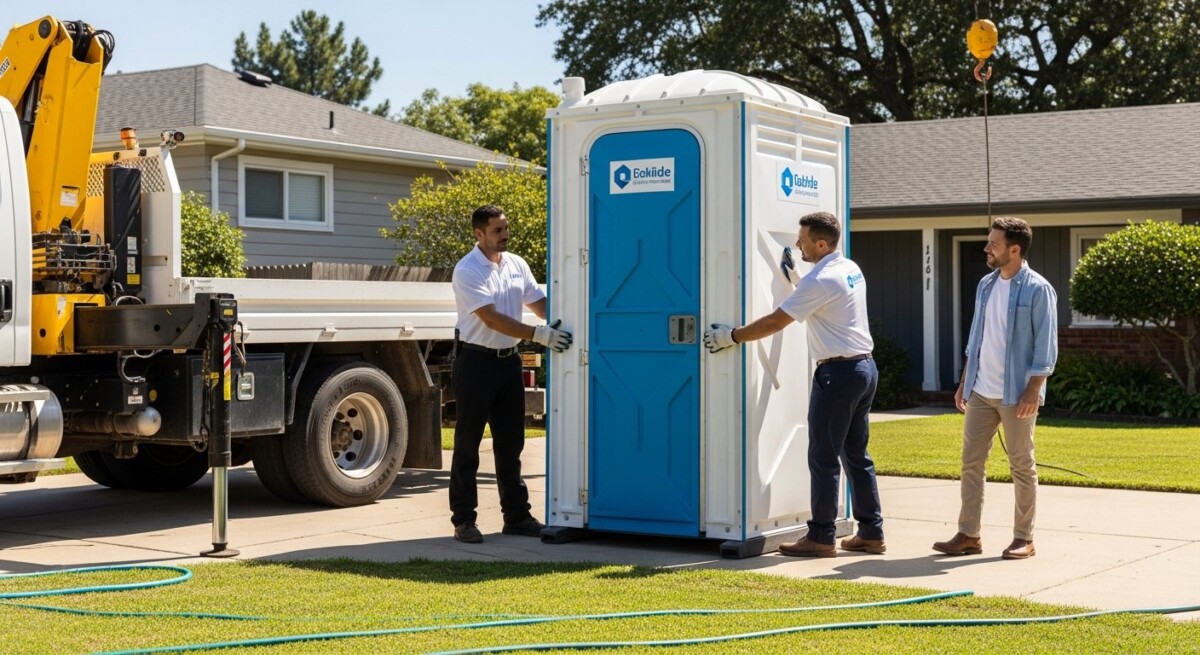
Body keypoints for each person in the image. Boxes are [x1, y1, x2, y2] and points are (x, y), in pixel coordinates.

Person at [704, 210, 884, 558]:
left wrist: (731, 336)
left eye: (801, 241)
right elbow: (821, 295)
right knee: (856, 455)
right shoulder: (849, 269)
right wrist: (796, 275)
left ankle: (820, 538)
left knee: (823, 457)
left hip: (838, 376)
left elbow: (776, 321)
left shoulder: (820, 281)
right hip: (864, 369)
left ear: (821, 243)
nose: (797, 245)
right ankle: (872, 532)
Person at [933, 216, 1057, 560]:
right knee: (971, 463)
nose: (987, 249)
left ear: (1014, 250)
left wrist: (1034, 389)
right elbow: (977, 337)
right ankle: (968, 534)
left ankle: (1024, 538)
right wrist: (964, 381)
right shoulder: (985, 285)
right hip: (980, 391)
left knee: (1021, 465)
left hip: (1017, 393)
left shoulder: (1038, 289)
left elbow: (1045, 346)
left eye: (994, 244)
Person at [449, 204, 572, 544]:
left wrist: (565, 320)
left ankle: (516, 516)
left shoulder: (517, 264)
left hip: (508, 362)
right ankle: (463, 520)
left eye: (505, 228)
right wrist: (538, 335)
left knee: (511, 443)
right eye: (497, 230)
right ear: (479, 234)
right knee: (468, 444)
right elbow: (490, 318)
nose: (505, 235)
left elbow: (539, 303)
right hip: (475, 362)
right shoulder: (468, 270)